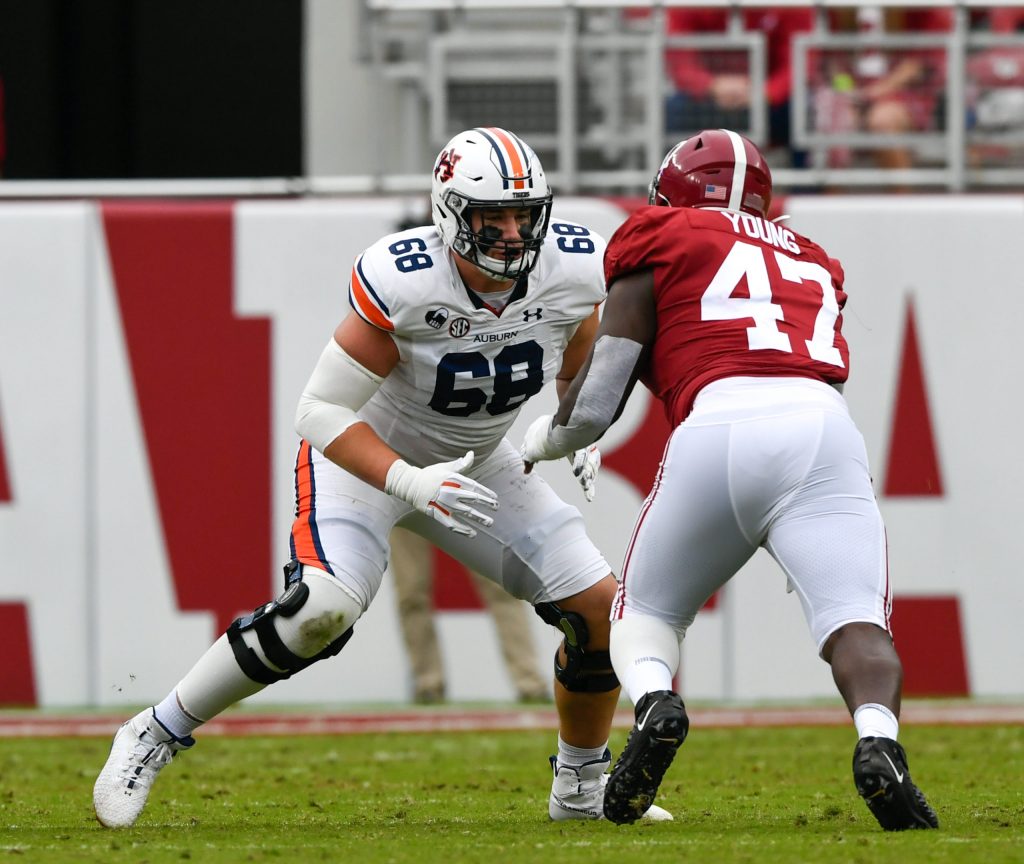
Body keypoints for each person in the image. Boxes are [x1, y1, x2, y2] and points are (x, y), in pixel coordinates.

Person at [92, 126, 668, 828]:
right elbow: (318, 410)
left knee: (597, 610)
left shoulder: (573, 268)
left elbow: (576, 339)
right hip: (364, 457)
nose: (514, 233)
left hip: (479, 461)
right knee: (320, 613)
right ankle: (153, 731)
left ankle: (579, 789)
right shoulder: (405, 279)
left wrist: (573, 422)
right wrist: (405, 480)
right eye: (494, 216)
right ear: (451, 212)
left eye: (524, 214)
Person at [521, 129, 939, 832]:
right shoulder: (808, 256)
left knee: (643, 613)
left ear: (673, 195)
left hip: (720, 421)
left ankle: (656, 704)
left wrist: (544, 439)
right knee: (856, 620)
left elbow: (596, 404)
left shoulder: (660, 236)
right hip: (823, 427)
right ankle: (879, 740)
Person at [389, 527, 549, 703]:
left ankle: (530, 683)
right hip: (404, 502)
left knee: (501, 585)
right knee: (411, 592)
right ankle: (427, 685)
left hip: (469, 500)